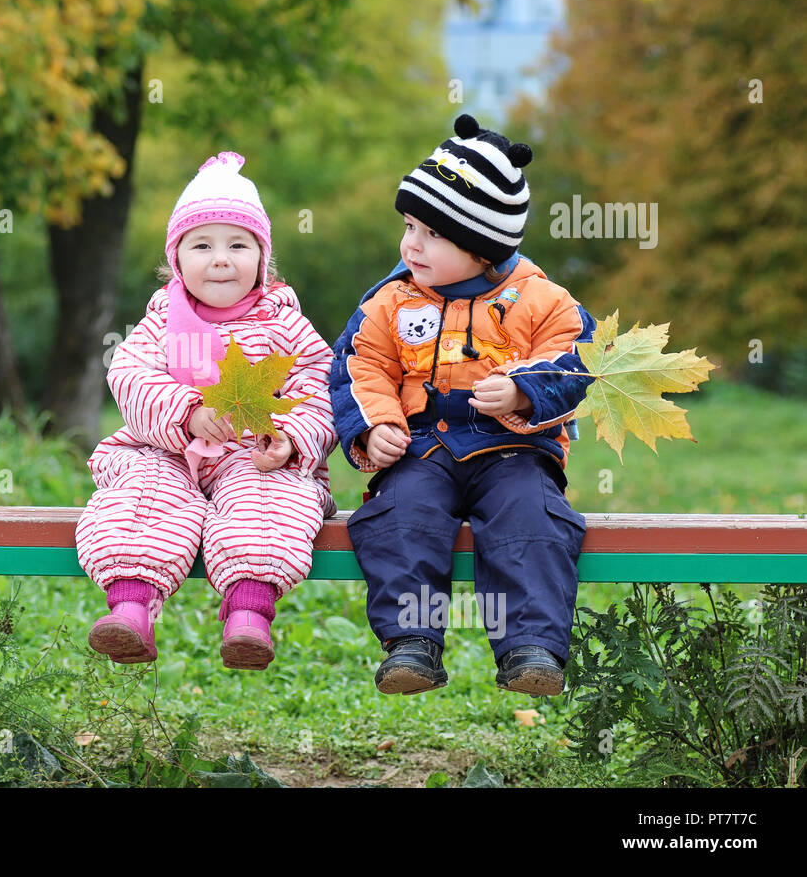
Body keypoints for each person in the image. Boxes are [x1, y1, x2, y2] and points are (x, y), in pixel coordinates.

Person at [329, 114, 596, 696]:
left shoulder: (540, 299)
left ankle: (532, 647)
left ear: (481, 249)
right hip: (424, 447)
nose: (411, 244)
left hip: (515, 448)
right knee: (402, 511)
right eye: (408, 226)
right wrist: (375, 426)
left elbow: (576, 358)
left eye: (432, 233)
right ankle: (411, 642)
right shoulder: (391, 301)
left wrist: (525, 388)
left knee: (530, 517)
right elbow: (359, 365)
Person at [76, 151, 337, 670]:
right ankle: (131, 605)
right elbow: (129, 376)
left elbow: (320, 385)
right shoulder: (160, 323)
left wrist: (289, 437)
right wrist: (185, 413)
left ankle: (249, 612)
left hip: (253, 453)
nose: (221, 259)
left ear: (262, 259)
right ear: (177, 260)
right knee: (144, 491)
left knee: (268, 497)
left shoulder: (283, 324)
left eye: (239, 245)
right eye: (202, 245)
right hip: (168, 449)